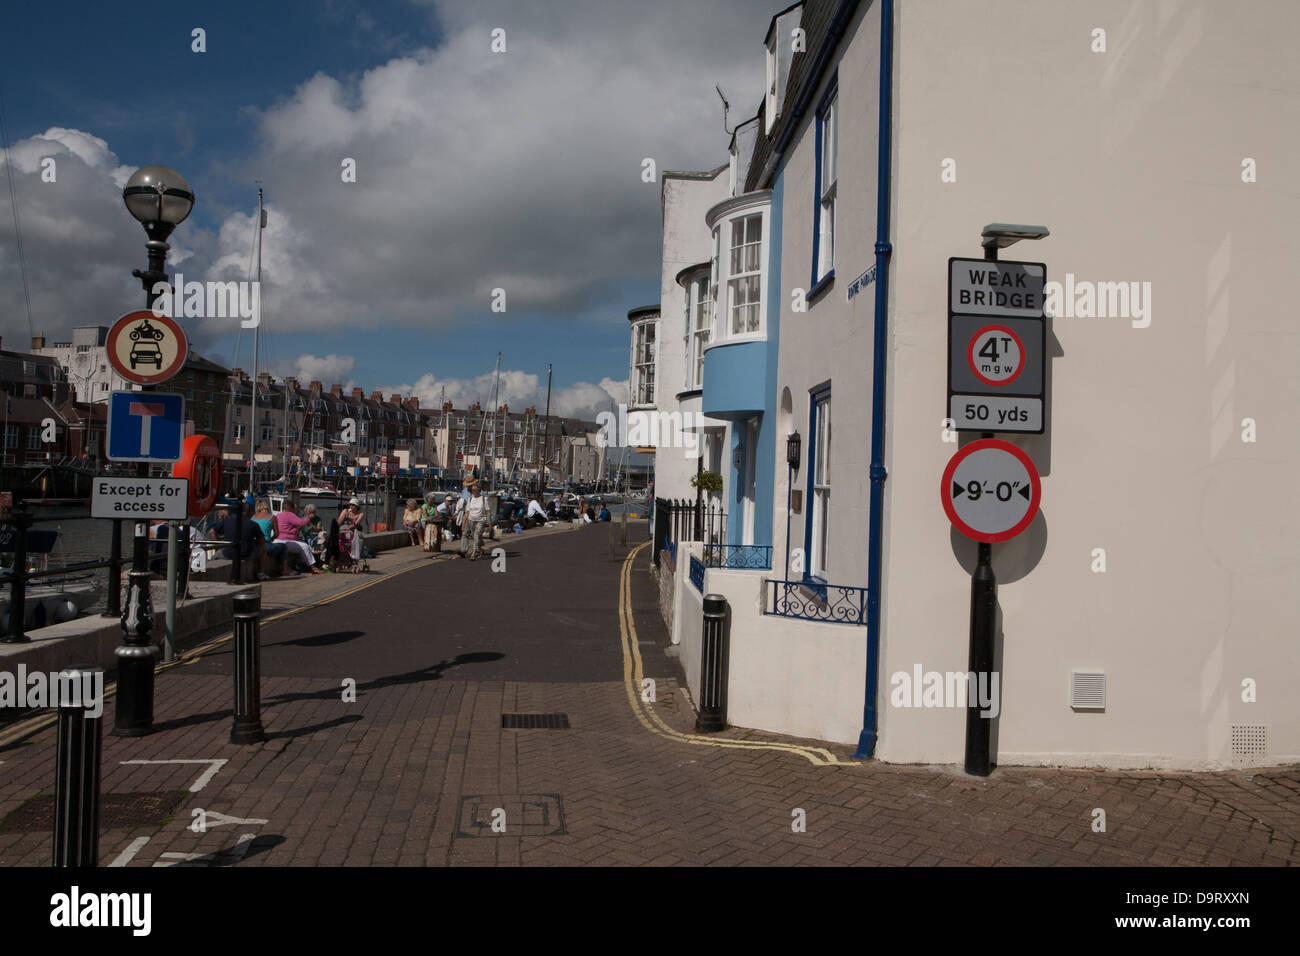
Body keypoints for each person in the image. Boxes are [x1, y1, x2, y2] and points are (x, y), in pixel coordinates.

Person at [213, 503, 267, 583]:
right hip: (246, 554)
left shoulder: (227, 520)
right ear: (249, 512)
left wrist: (218, 543)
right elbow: (262, 541)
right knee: (264, 549)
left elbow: (212, 532)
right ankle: (260, 573)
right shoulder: (253, 524)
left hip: (228, 553)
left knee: (214, 556)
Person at [275, 502, 324, 574]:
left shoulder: (278, 515)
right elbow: (301, 523)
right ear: (291, 508)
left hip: (277, 540)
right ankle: (313, 567)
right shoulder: (290, 515)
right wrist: (309, 517)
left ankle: (299, 566)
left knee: (301, 545)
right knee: (305, 547)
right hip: (286, 541)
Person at [253, 499, 293, 575]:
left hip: (254, 545)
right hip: (265, 545)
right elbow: (276, 534)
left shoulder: (253, 517)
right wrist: (271, 539)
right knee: (283, 546)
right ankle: (284, 569)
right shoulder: (272, 517)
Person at [459, 481, 491, 560]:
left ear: (478, 491)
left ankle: (473, 553)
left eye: (474, 491)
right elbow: (467, 513)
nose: (473, 492)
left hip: (480, 520)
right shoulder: (470, 499)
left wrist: (490, 523)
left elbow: (488, 512)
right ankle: (479, 549)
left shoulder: (484, 499)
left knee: (476, 536)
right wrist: (463, 524)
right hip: (471, 520)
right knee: (475, 536)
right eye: (472, 491)